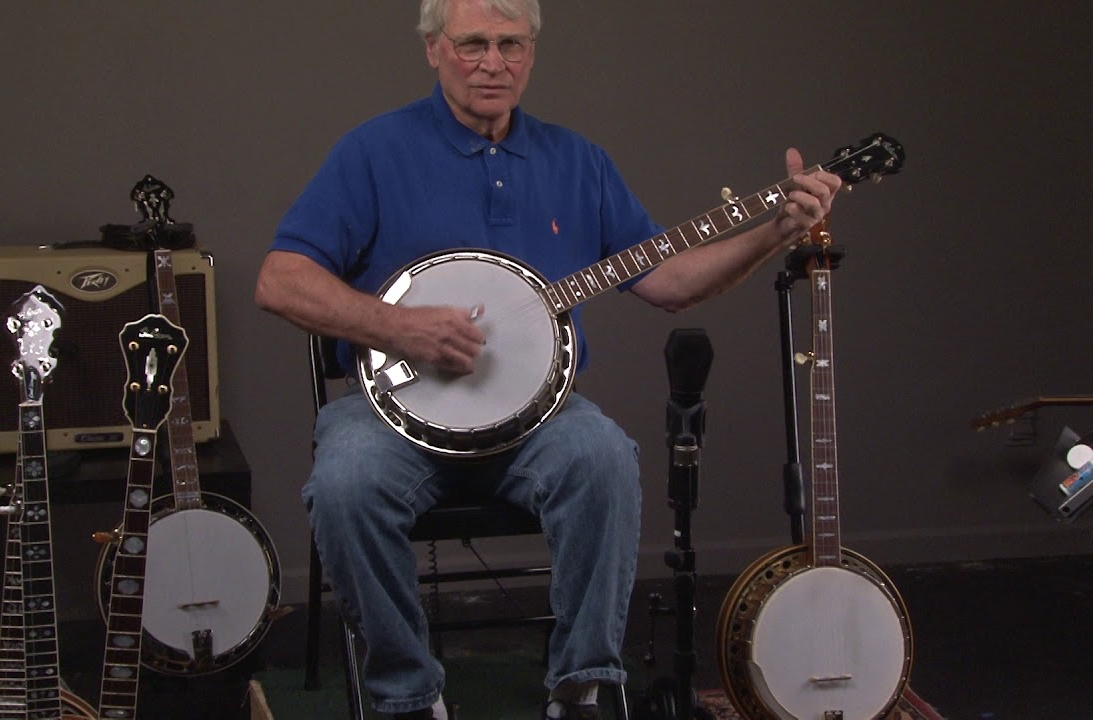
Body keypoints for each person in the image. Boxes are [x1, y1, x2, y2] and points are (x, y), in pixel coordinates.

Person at [255, 1, 841, 717]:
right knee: (344, 481)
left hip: (539, 418)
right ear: (435, 50)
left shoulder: (579, 161)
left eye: (511, 44)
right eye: (473, 43)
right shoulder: (374, 152)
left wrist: (776, 230)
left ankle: (580, 687)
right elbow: (280, 280)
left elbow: (670, 282)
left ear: (532, 53)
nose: (493, 63)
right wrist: (396, 327)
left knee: (603, 456)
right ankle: (406, 694)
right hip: (394, 417)